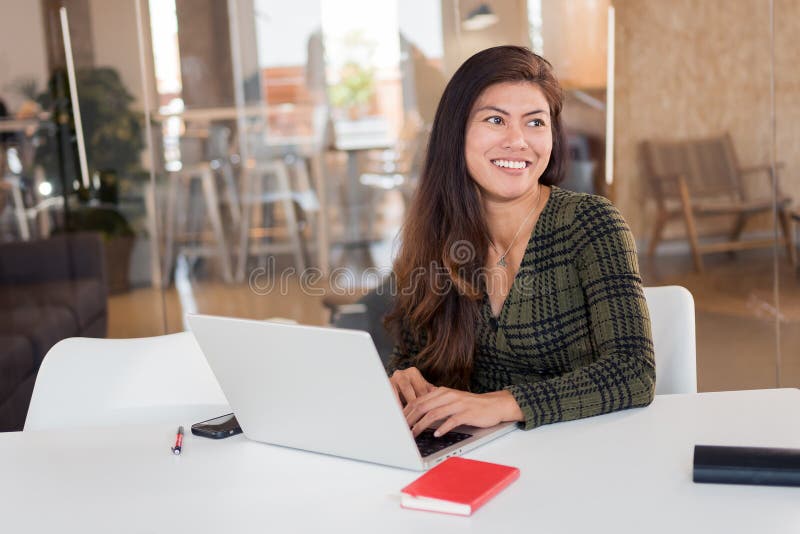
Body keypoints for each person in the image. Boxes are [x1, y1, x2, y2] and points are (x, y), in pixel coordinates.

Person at [384, 45, 655, 439]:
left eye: (535, 122)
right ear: (455, 131)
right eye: (496, 120)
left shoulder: (590, 224)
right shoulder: (433, 236)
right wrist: (404, 378)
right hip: (478, 458)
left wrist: (501, 403)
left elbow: (633, 371)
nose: (518, 141)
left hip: (584, 451)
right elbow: (409, 355)